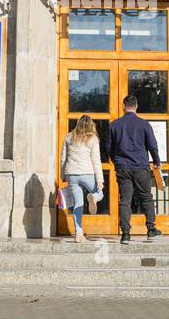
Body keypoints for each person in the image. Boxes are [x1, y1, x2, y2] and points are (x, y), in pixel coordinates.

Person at [107, 95, 162, 244]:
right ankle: (151, 230)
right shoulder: (144, 124)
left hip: (123, 167)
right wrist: (156, 161)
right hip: (140, 166)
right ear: (136, 106)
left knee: (125, 200)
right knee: (146, 198)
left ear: (123, 106)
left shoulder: (114, 125)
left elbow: (109, 149)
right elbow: (152, 145)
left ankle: (125, 234)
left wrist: (117, 162)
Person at [60, 115, 103, 243]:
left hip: (72, 174)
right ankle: (94, 197)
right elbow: (96, 160)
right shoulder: (93, 139)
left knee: (78, 204)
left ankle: (78, 235)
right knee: (99, 193)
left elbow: (63, 158)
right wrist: (100, 180)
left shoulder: (69, 137)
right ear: (91, 125)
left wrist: (63, 175)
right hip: (87, 173)